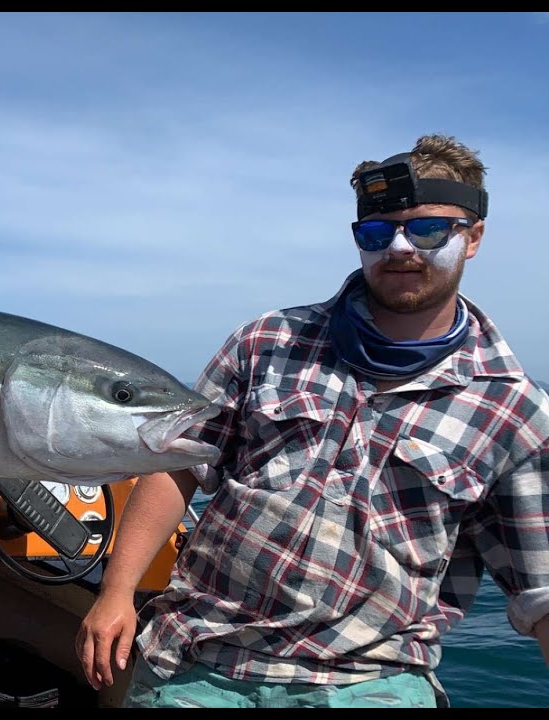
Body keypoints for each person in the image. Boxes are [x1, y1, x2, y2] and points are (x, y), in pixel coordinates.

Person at [76, 133, 549, 708]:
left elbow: (540, 588)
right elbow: (177, 465)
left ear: (472, 237)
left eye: (428, 230)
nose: (400, 247)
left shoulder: (514, 411)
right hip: (201, 662)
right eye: (377, 233)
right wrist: (117, 590)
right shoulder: (268, 341)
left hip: (370, 680)